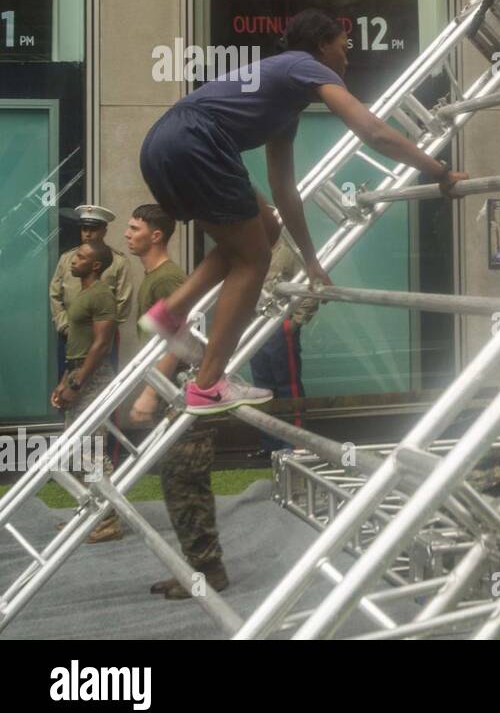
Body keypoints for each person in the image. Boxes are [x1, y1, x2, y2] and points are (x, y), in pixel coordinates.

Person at [138, 8, 467, 414]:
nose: (347, 60)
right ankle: (206, 385)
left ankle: (171, 312)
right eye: (343, 49)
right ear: (322, 46)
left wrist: (311, 259)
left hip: (164, 143)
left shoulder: (284, 101)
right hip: (197, 141)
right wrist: (440, 172)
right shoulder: (305, 65)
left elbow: (284, 190)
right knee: (253, 259)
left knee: (265, 228)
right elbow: (374, 132)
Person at [123, 204, 228, 599]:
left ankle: (209, 572)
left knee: (186, 484)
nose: (127, 233)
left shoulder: (167, 280)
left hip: (184, 397)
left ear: (156, 235)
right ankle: (196, 567)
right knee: (177, 485)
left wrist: (151, 392)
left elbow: (181, 338)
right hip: (176, 397)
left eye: (135, 228)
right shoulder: (155, 277)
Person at [49, 239, 122, 543]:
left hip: (94, 377)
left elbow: (102, 345)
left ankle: (108, 521)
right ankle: (89, 513)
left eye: (79, 257)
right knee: (78, 450)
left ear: (95, 265)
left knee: (91, 451)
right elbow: (79, 345)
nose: (72, 260)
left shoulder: (102, 294)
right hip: (78, 371)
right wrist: (66, 381)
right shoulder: (84, 293)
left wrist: (78, 383)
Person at [249, 233, 320, 454]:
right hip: (254, 327)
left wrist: (294, 323)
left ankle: (295, 443)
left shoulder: (288, 252)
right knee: (262, 388)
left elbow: (312, 285)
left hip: (280, 328)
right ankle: (269, 444)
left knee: (287, 386)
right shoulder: (251, 251)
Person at [49, 204, 132, 375]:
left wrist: (102, 329)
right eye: (84, 229)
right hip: (69, 333)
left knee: (102, 384)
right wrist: (65, 326)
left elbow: (123, 301)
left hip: (102, 336)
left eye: (93, 229)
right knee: (67, 382)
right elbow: (55, 294)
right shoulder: (67, 259)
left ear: (104, 230)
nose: (87, 234)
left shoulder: (117, 262)